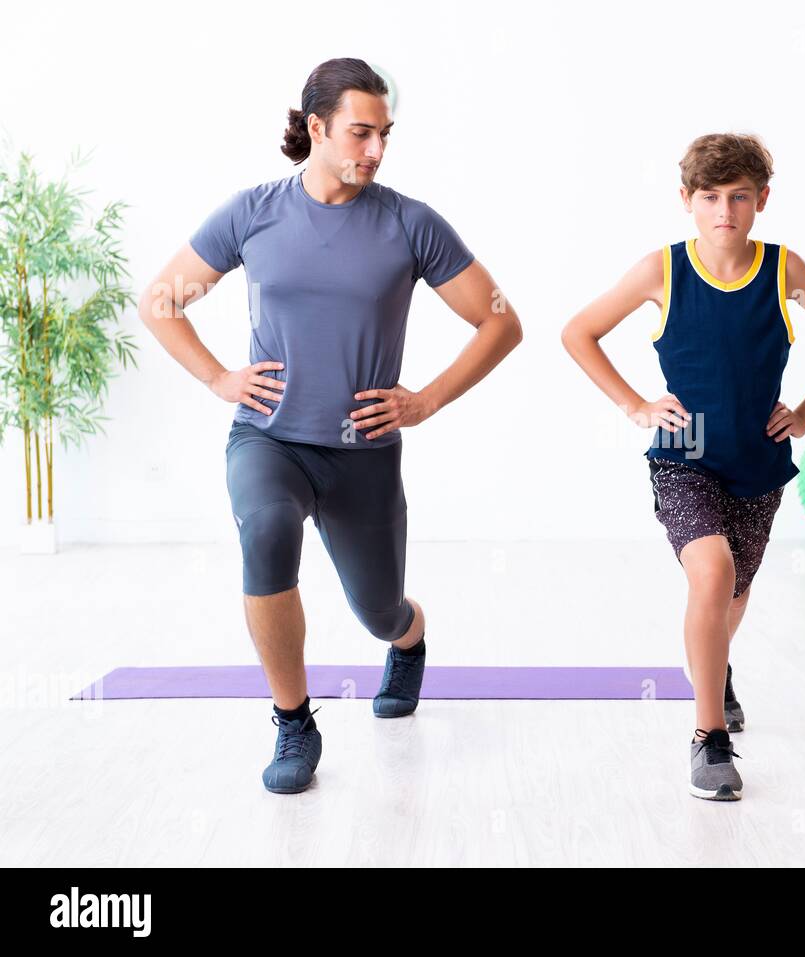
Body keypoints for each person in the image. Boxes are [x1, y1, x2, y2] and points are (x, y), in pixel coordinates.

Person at [137, 58, 522, 794]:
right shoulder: (253, 212)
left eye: (384, 135)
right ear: (316, 127)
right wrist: (221, 378)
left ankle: (407, 639)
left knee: (379, 608)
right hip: (269, 438)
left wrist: (428, 398)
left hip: (363, 456)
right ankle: (294, 720)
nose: (374, 150)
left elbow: (500, 325)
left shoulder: (410, 223)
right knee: (268, 531)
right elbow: (161, 300)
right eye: (360, 132)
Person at [561, 133, 805, 800]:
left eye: (738, 197)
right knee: (713, 570)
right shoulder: (661, 271)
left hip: (758, 461)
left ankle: (715, 667)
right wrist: (635, 404)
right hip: (684, 457)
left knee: (733, 591)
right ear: (687, 202)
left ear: (762, 199)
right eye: (709, 197)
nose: (723, 210)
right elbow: (577, 332)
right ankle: (709, 739)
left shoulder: (783, 271)